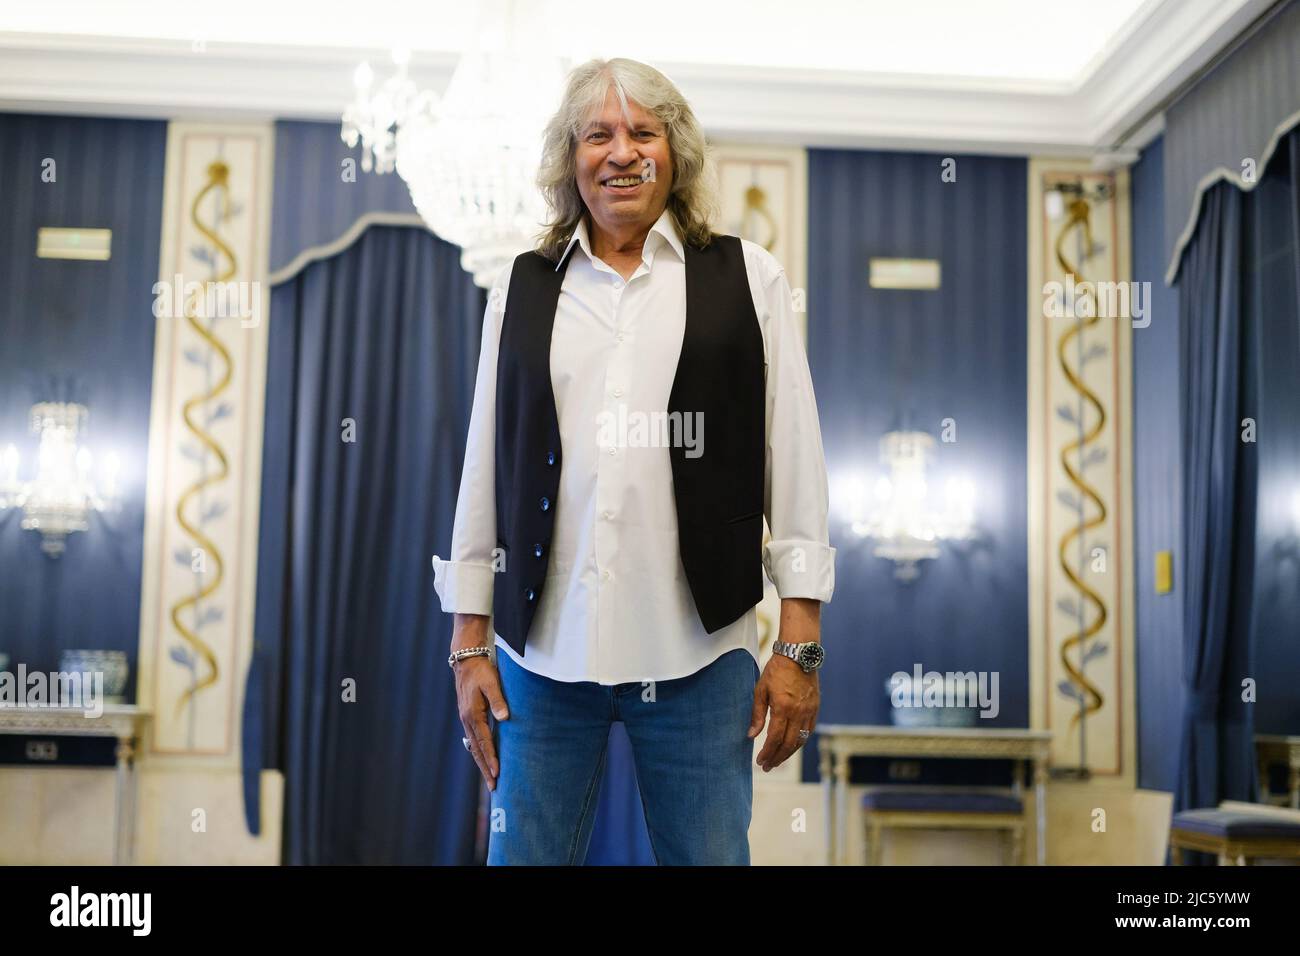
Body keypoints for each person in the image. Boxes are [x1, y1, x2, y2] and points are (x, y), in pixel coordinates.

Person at [431, 57, 835, 865]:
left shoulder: (749, 276)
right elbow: (488, 460)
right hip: (540, 656)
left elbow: (790, 455)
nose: (621, 151)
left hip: (700, 650)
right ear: (569, 159)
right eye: (598, 135)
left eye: (643, 131)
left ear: (674, 152)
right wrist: (469, 638)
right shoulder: (521, 287)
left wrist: (798, 643)